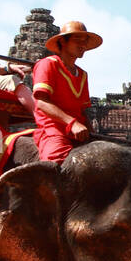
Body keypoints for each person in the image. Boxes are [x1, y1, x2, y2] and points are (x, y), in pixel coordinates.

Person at [31, 20, 102, 163]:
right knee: (56, 163)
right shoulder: (47, 64)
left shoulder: (82, 74)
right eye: (77, 40)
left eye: (85, 41)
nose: (82, 45)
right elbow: (41, 102)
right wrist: (72, 123)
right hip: (54, 130)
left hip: (79, 133)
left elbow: (82, 111)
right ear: (63, 41)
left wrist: (94, 136)